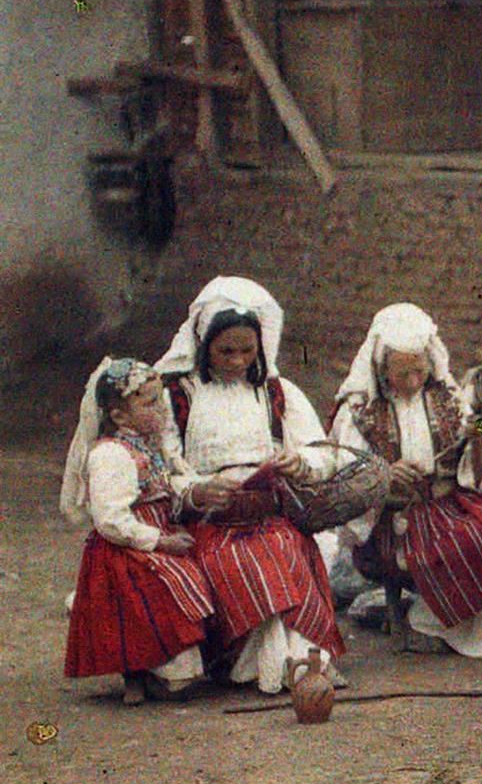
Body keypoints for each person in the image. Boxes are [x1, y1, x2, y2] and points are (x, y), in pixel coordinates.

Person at [154, 276, 346, 693]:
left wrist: (299, 462)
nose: (238, 361)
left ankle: (302, 659)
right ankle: (262, 664)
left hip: (267, 515)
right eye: (226, 351)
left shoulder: (276, 392)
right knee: (246, 560)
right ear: (204, 345)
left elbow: (322, 452)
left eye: (247, 350)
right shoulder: (176, 397)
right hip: (209, 524)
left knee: (289, 547)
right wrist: (196, 490)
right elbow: (159, 469)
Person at [330, 304, 482, 665]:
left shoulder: (447, 396)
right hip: (393, 516)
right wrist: (384, 474)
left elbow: (480, 436)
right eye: (402, 373)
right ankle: (430, 624)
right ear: (381, 367)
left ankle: (439, 625)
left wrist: (481, 431)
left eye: (419, 370)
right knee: (459, 538)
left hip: (445, 500)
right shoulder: (359, 409)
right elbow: (345, 471)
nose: (412, 381)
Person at [60, 358, 214, 703]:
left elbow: (168, 483)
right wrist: (159, 541)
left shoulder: (149, 446)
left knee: (192, 572)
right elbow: (110, 519)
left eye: (161, 401)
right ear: (119, 416)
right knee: (158, 586)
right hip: (125, 548)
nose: (161, 410)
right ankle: (140, 672)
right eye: (150, 403)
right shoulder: (111, 454)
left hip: (153, 535)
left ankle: (155, 671)